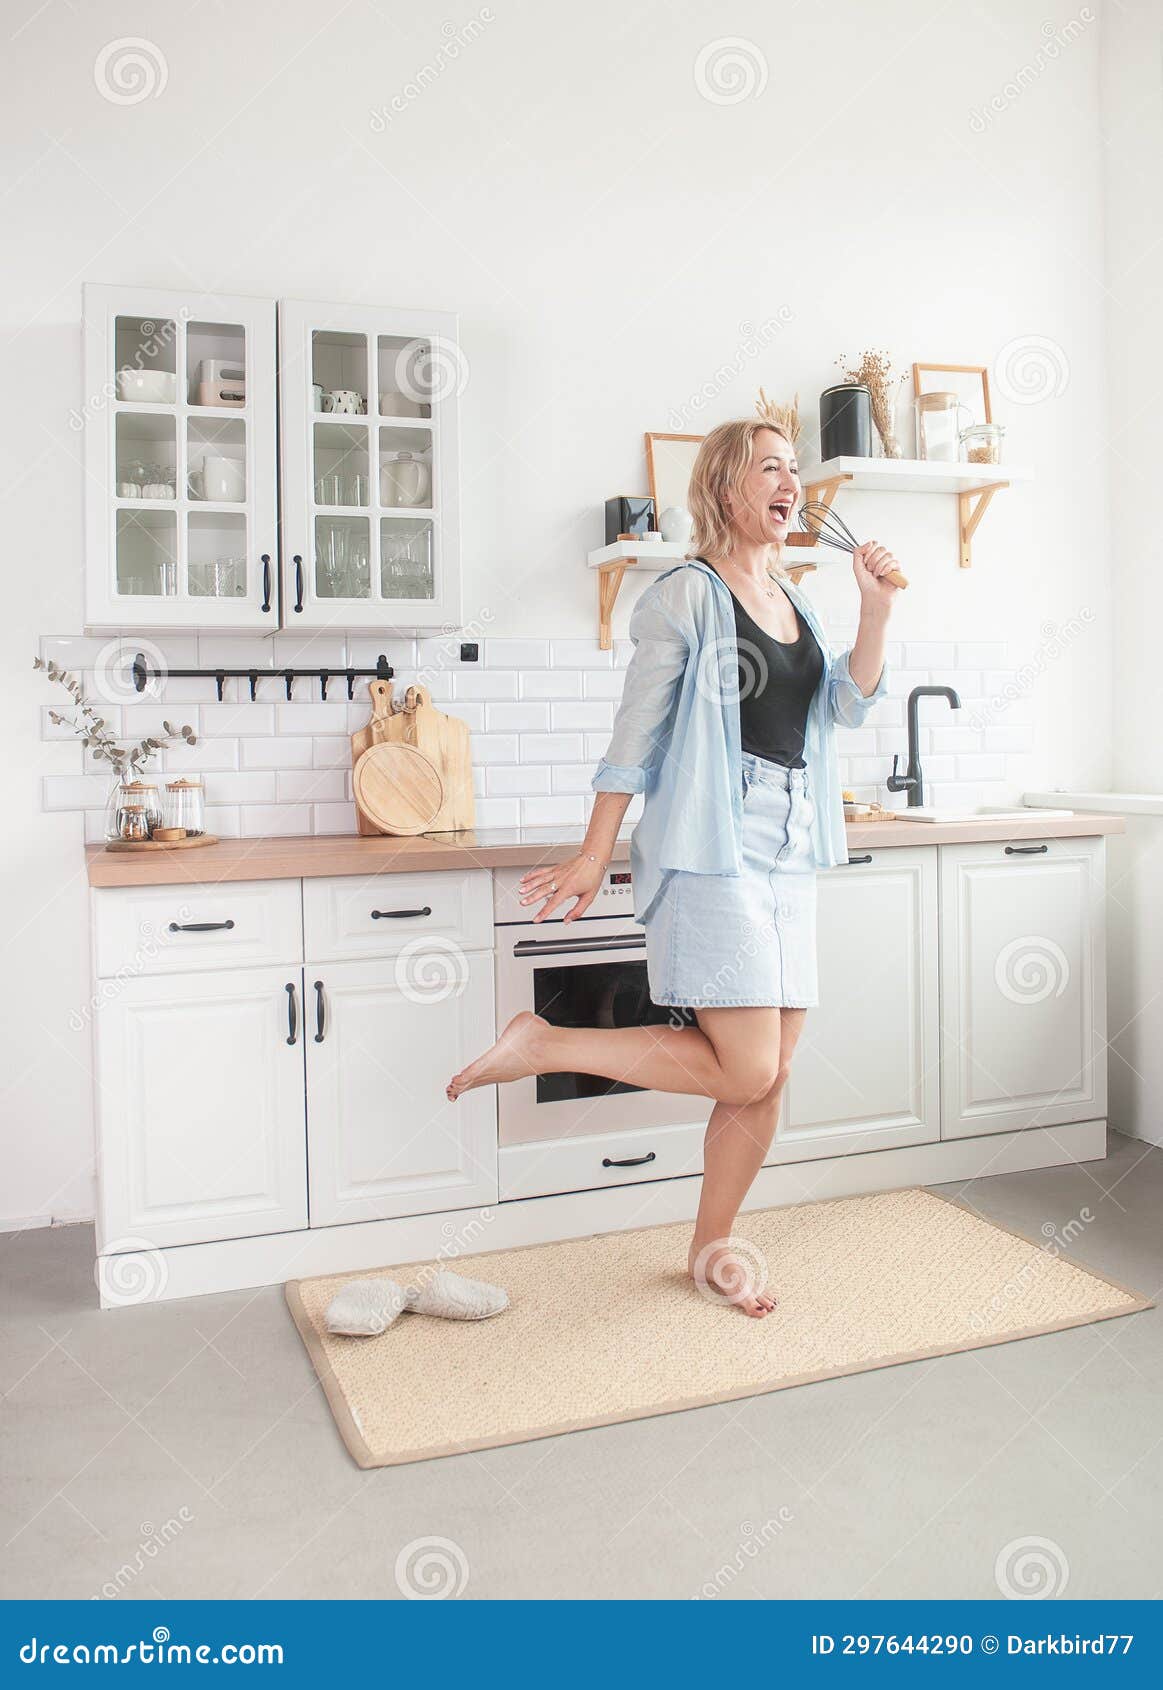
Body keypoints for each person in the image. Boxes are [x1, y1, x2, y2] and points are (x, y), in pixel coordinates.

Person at [448, 419, 901, 1316]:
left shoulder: (798, 600)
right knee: (745, 1067)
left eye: (794, 471)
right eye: (770, 467)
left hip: (790, 849)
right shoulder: (683, 598)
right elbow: (636, 736)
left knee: (770, 1073)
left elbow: (846, 707)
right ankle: (543, 1044)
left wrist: (877, 608)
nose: (790, 482)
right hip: (712, 847)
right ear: (728, 490)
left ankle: (711, 1249)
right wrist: (592, 851)